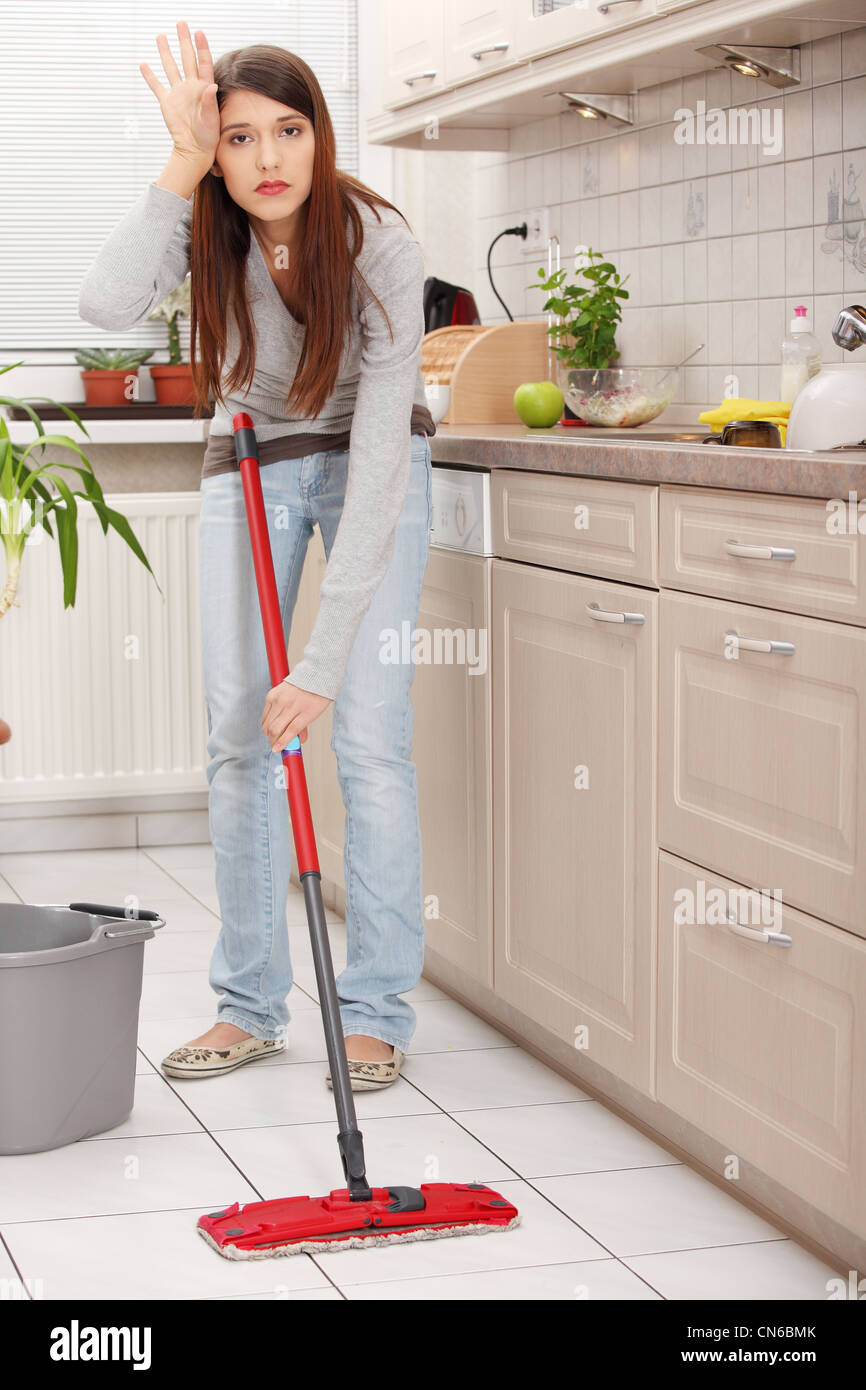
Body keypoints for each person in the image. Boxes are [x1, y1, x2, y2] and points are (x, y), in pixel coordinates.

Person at [78, 22, 435, 1088]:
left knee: (366, 739)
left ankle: (375, 1009)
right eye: (238, 138)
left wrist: (321, 661)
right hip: (248, 459)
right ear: (216, 151)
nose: (269, 157)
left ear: (320, 137)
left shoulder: (378, 241)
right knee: (240, 739)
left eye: (290, 129)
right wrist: (177, 166)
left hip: (375, 464)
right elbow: (104, 307)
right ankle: (249, 1004)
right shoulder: (207, 225)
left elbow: (376, 461)